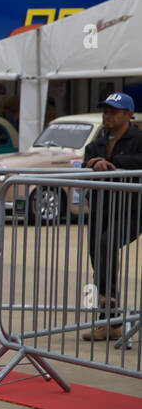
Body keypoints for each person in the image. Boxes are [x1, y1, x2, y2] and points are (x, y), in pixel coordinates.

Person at [81, 92, 142, 341]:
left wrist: (110, 162)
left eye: (114, 112)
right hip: (100, 209)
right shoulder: (96, 143)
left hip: (130, 210)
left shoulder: (139, 139)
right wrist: (92, 163)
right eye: (105, 111)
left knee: (108, 243)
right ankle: (109, 319)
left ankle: (108, 301)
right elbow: (85, 163)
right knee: (98, 255)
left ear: (129, 115)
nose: (108, 116)